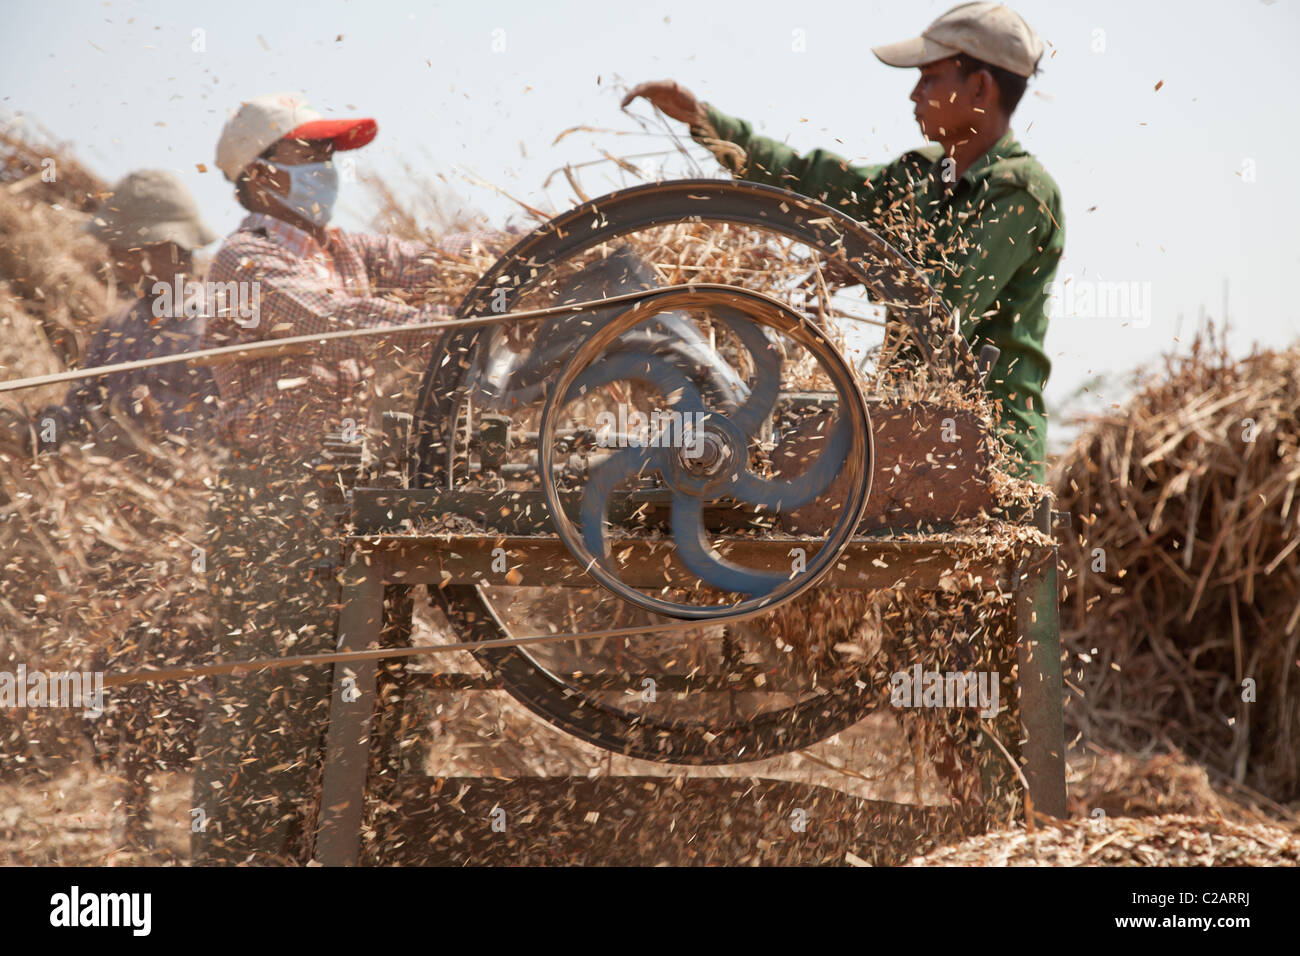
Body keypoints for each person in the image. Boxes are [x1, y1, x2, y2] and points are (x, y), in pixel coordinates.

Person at [191, 91, 502, 864]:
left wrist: (545, 239)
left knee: (374, 690)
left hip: (353, 496)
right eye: (310, 154)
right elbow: (341, 320)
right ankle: (238, 857)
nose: (327, 170)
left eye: (331, 155)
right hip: (277, 502)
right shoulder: (245, 261)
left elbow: (444, 257)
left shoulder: (345, 248)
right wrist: (463, 330)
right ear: (260, 176)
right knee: (272, 702)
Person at [622, 2, 1063, 483]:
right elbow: (817, 179)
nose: (914, 94)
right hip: (913, 435)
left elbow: (943, 301)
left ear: (980, 86)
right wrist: (707, 122)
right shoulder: (921, 175)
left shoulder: (1017, 192)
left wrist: (863, 264)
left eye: (930, 77)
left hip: (988, 450)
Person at [30, 170, 217, 450]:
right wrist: (43, 432)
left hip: (191, 485)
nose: (111, 256)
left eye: (119, 247)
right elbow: (79, 411)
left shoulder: (216, 325)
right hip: (117, 486)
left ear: (158, 247)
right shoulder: (116, 327)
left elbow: (230, 427)